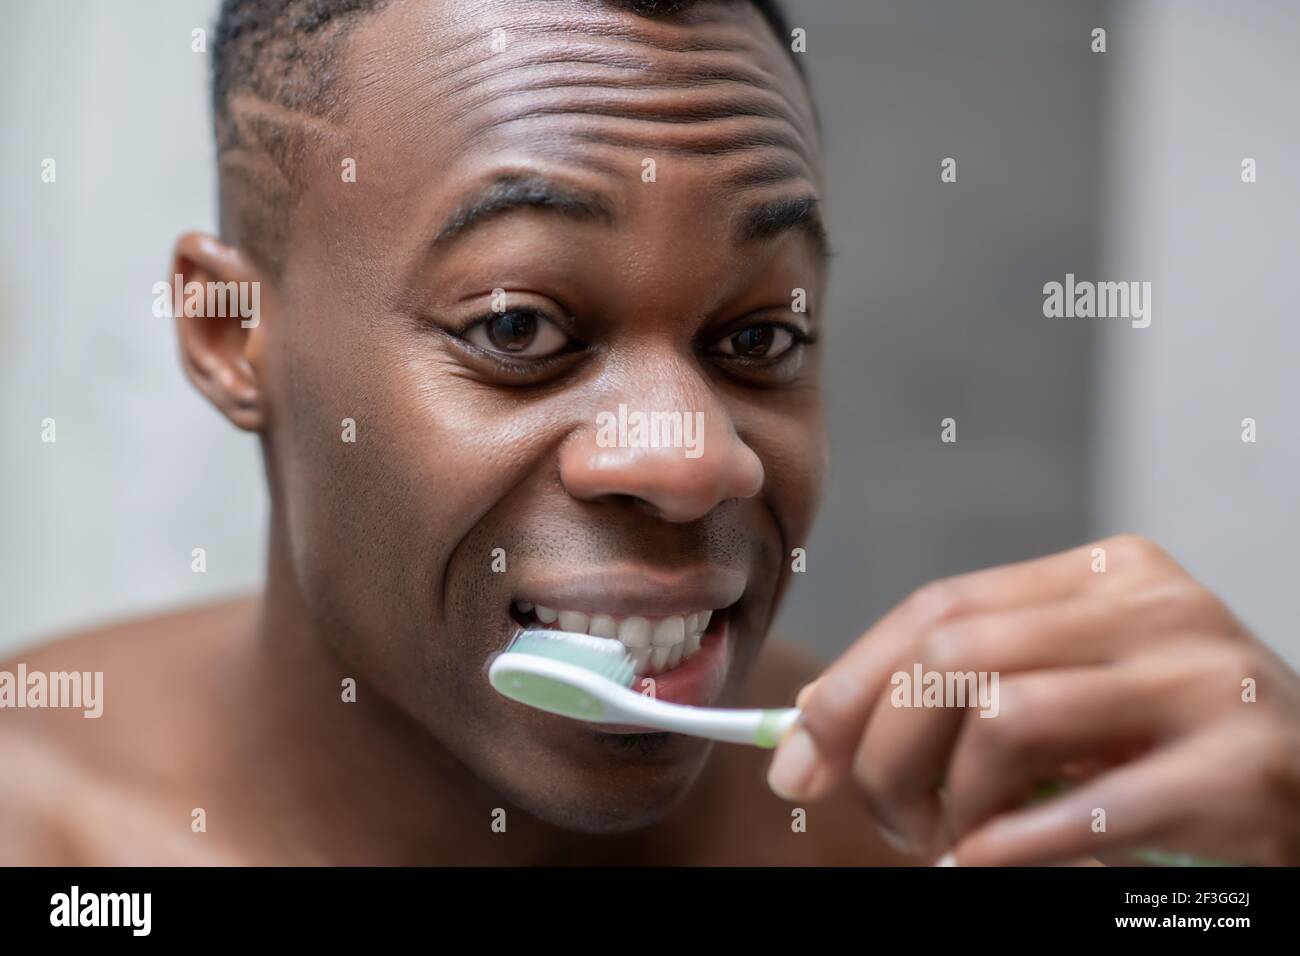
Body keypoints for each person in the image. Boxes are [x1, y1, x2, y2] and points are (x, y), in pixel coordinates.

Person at [2, 0, 1296, 866]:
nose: (695, 461)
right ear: (230, 333)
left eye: (760, 339)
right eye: (517, 327)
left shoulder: (973, 833)